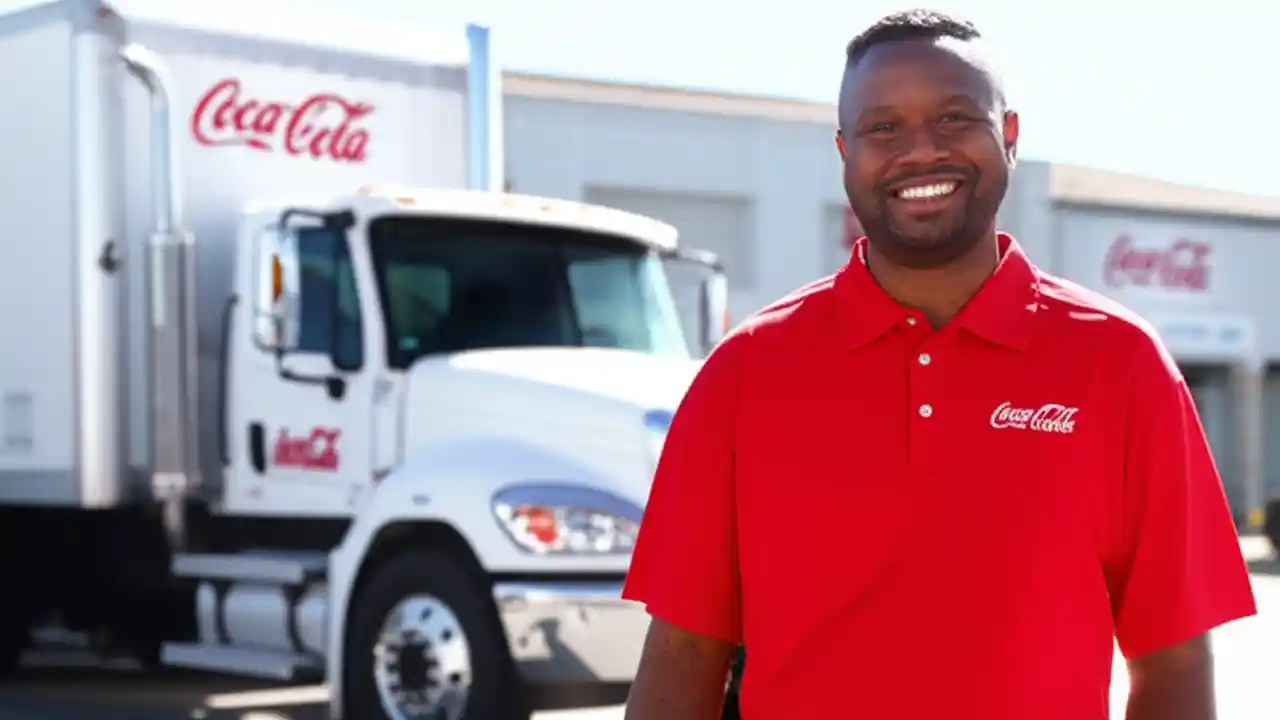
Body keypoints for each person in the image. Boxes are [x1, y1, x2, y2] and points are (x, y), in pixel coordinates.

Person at [620, 9, 1258, 720]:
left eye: (955, 118)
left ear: (1009, 136)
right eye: (883, 128)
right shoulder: (745, 373)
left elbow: (1173, 657)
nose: (920, 152)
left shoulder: (1122, 364)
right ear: (844, 152)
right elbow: (683, 653)